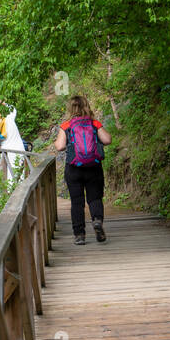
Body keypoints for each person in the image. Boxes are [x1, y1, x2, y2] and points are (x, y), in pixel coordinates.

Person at [54, 95, 111, 245]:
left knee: (77, 202)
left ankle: (79, 235)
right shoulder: (94, 123)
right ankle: (97, 221)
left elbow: (59, 146)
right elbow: (107, 140)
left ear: (70, 108)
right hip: (94, 167)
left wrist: (71, 144)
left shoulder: (66, 125)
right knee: (95, 198)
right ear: (86, 106)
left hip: (73, 168)